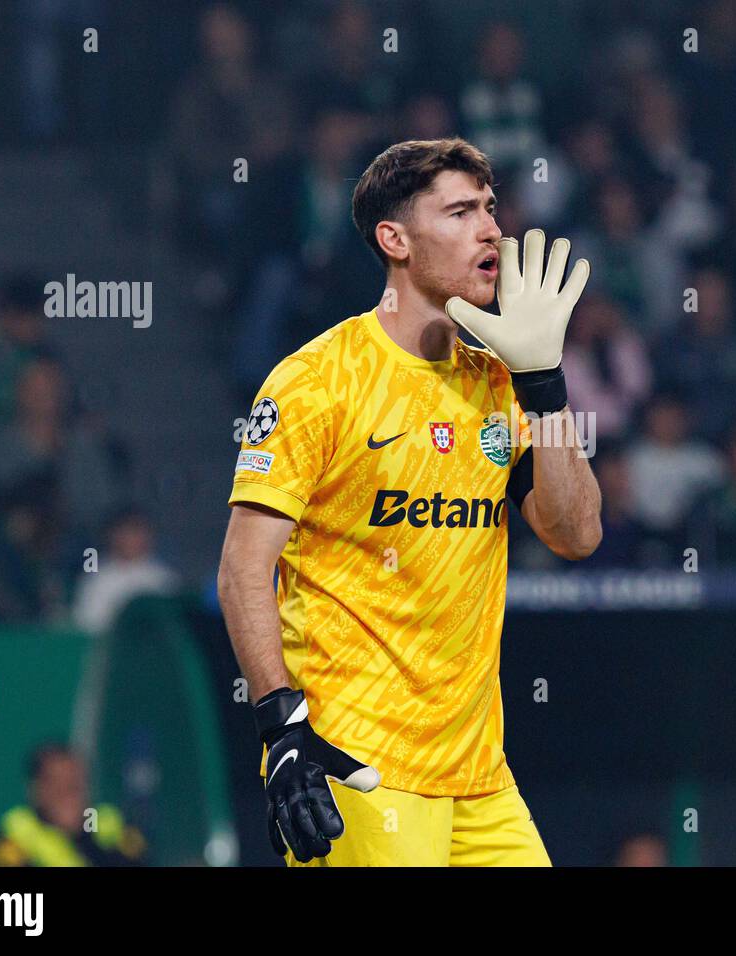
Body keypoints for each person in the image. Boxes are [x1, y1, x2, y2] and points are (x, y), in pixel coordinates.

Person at [217, 138, 601, 867]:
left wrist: (545, 384)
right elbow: (243, 569)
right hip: (358, 760)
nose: (491, 229)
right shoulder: (317, 381)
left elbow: (576, 531)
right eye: (460, 212)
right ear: (394, 240)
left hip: (479, 776)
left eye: (490, 209)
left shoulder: (497, 383)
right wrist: (282, 729)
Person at [0, 744, 146, 867]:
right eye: (58, 785)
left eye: (75, 784)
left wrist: (83, 835)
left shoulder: (105, 822)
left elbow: (136, 859)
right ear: (37, 789)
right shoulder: (17, 830)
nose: (69, 794)